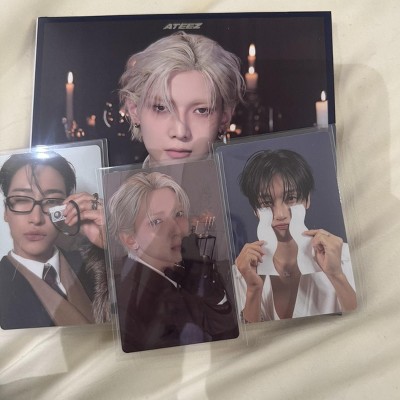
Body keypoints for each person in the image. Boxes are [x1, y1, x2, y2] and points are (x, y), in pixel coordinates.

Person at [107, 171, 238, 352]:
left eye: (179, 214)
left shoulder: (175, 274)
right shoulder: (143, 301)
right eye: (156, 221)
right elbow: (220, 350)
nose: (176, 229)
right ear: (130, 239)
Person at [234, 149, 357, 322]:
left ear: (307, 200)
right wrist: (253, 290)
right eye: (267, 203)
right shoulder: (243, 269)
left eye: (291, 198)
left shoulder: (344, 257)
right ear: (255, 210)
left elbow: (364, 325)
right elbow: (250, 337)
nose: (280, 214)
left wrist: (337, 275)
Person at [0, 151, 108, 329]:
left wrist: (113, 240)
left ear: (67, 208)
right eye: (21, 200)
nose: (36, 219)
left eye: (51, 201)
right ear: (6, 211)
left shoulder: (99, 264)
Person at [119, 31, 245, 167]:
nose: (180, 132)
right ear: (134, 110)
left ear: (225, 116)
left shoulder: (244, 179)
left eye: (201, 110)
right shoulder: (111, 181)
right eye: (161, 108)